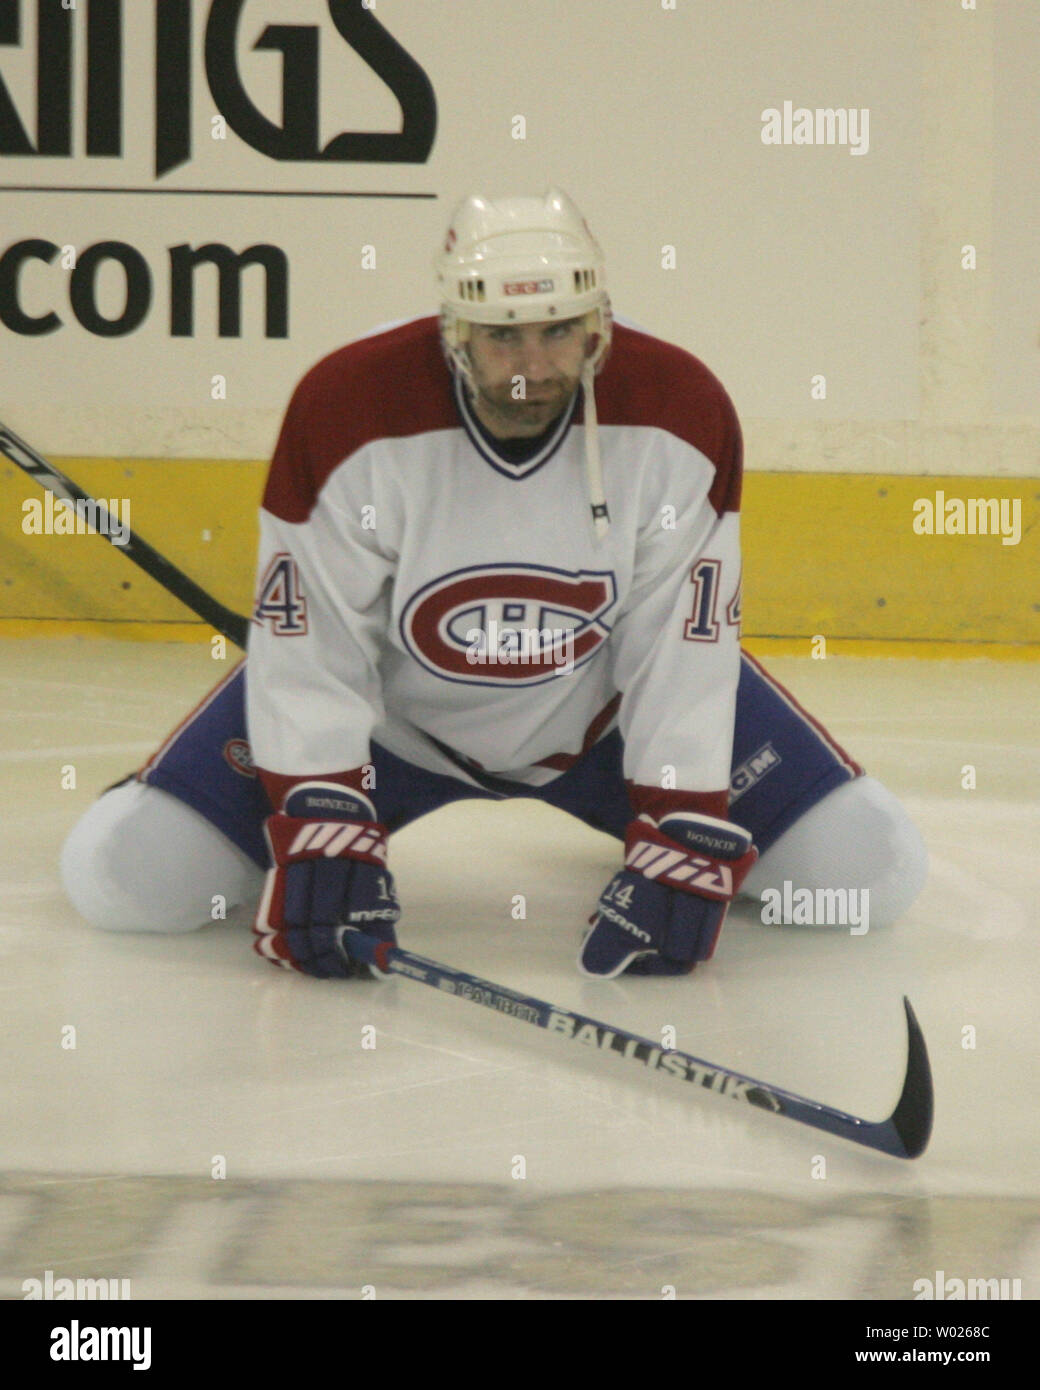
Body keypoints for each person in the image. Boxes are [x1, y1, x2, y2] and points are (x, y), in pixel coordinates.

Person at [60, 189, 928, 979]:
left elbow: (681, 637)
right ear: (453, 331)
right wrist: (320, 807)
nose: (532, 367)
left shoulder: (680, 410)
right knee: (125, 880)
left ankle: (630, 820)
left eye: (558, 331)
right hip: (390, 729)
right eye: (502, 336)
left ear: (598, 325)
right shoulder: (348, 408)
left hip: (604, 722)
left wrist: (677, 820)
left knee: (868, 872)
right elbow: (311, 636)